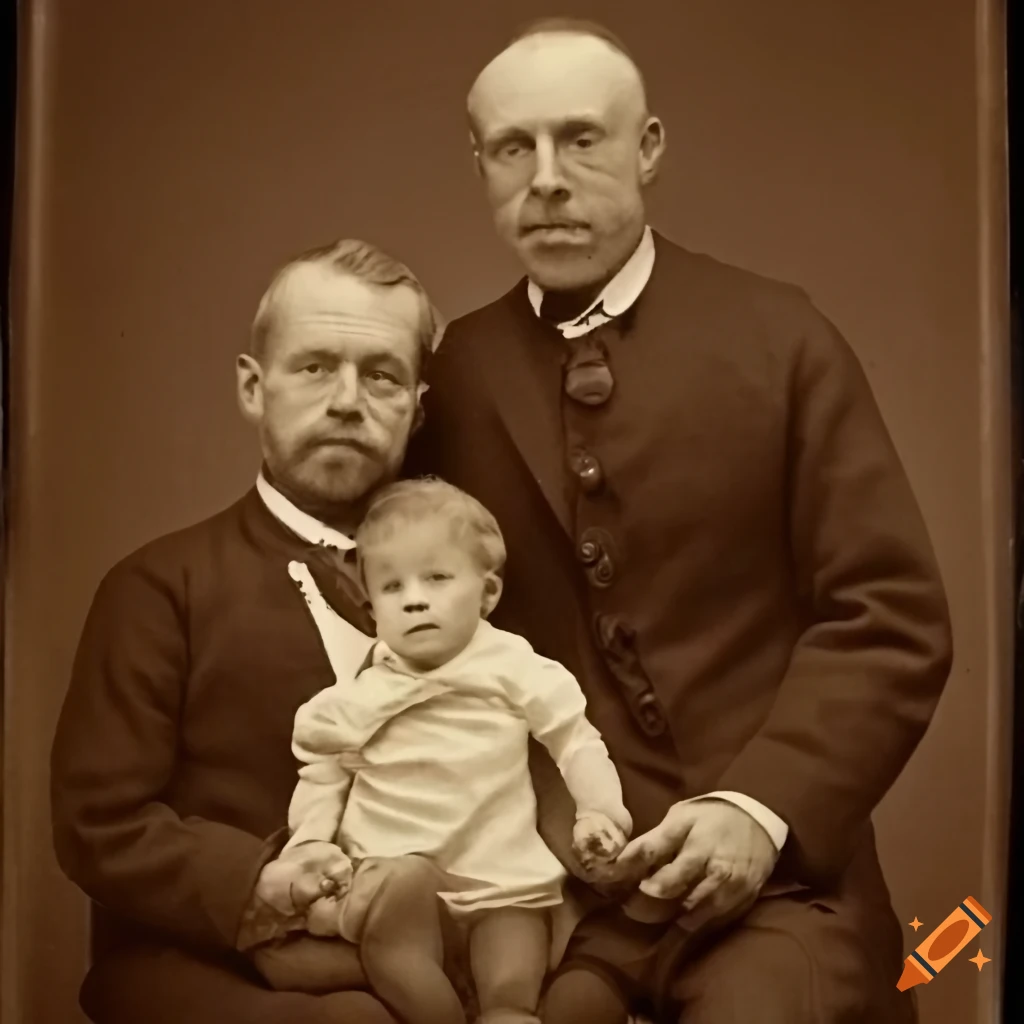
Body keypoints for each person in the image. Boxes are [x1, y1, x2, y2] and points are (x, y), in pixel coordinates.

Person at [405, 18, 954, 1024]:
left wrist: (760, 808)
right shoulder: (456, 376)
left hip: (776, 888)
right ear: (477, 163)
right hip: (547, 895)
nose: (548, 178)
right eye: (512, 148)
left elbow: (890, 618)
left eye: (583, 139)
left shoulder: (779, 338)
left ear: (648, 147)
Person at [50, 238, 449, 1024]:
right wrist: (262, 884)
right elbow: (99, 824)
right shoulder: (160, 587)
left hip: (434, 954)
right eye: (314, 367)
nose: (346, 400)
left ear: (417, 408)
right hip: (211, 965)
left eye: (381, 376)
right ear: (252, 386)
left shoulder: (470, 589)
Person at [257, 477, 634, 1024]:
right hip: (396, 878)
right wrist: (310, 847)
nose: (414, 598)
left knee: (512, 984)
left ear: (487, 593)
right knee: (403, 934)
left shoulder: (516, 669)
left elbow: (576, 742)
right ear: (373, 607)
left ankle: (506, 1010)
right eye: (391, 587)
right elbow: (324, 774)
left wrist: (600, 811)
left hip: (502, 879)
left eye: (436, 577)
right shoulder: (360, 695)